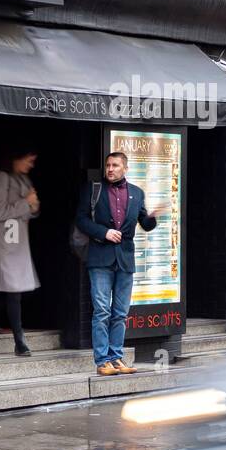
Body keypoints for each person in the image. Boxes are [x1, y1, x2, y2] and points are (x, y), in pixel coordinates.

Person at [75, 151, 158, 376]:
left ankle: (116, 357)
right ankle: (102, 361)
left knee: (120, 312)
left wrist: (153, 217)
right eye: (108, 165)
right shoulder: (94, 190)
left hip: (125, 259)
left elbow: (146, 224)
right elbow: (80, 220)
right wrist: (104, 232)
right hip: (100, 257)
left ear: (125, 168)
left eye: (115, 165)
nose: (110, 169)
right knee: (101, 310)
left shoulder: (137, 194)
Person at [0, 150, 40, 356]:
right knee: (14, 289)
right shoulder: (1, 178)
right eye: (29, 160)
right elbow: (0, 212)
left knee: (17, 288)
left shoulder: (22, 178)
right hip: (2, 241)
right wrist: (27, 203)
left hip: (17, 240)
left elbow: (31, 208)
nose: (31, 165)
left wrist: (33, 206)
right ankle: (19, 341)